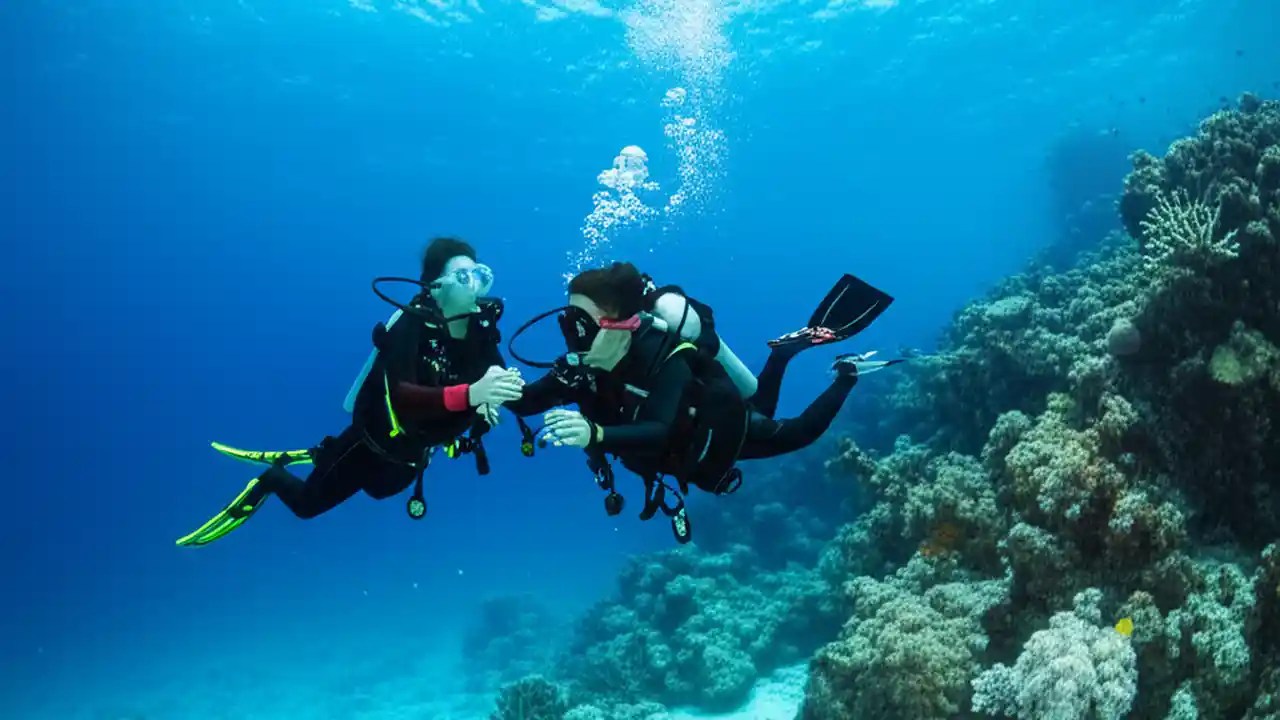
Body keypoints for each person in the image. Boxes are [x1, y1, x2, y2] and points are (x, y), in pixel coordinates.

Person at [504, 261, 897, 543]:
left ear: (621, 324)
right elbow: (524, 403)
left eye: (582, 324)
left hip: (715, 429)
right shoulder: (579, 371)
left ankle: (847, 374)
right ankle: (781, 355)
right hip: (685, 449)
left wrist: (596, 433)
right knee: (762, 404)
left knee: (797, 433)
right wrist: (486, 383)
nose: (573, 337)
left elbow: (658, 431)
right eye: (568, 322)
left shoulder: (664, 357)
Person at [176, 237, 525, 547]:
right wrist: (472, 395)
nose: (475, 287)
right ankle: (271, 479)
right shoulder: (410, 325)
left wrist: (489, 404)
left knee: (380, 491)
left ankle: (320, 453)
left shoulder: (481, 330)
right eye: (463, 277)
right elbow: (403, 397)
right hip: (370, 443)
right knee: (307, 506)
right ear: (436, 287)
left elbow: (494, 383)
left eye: (480, 275)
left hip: (411, 455)